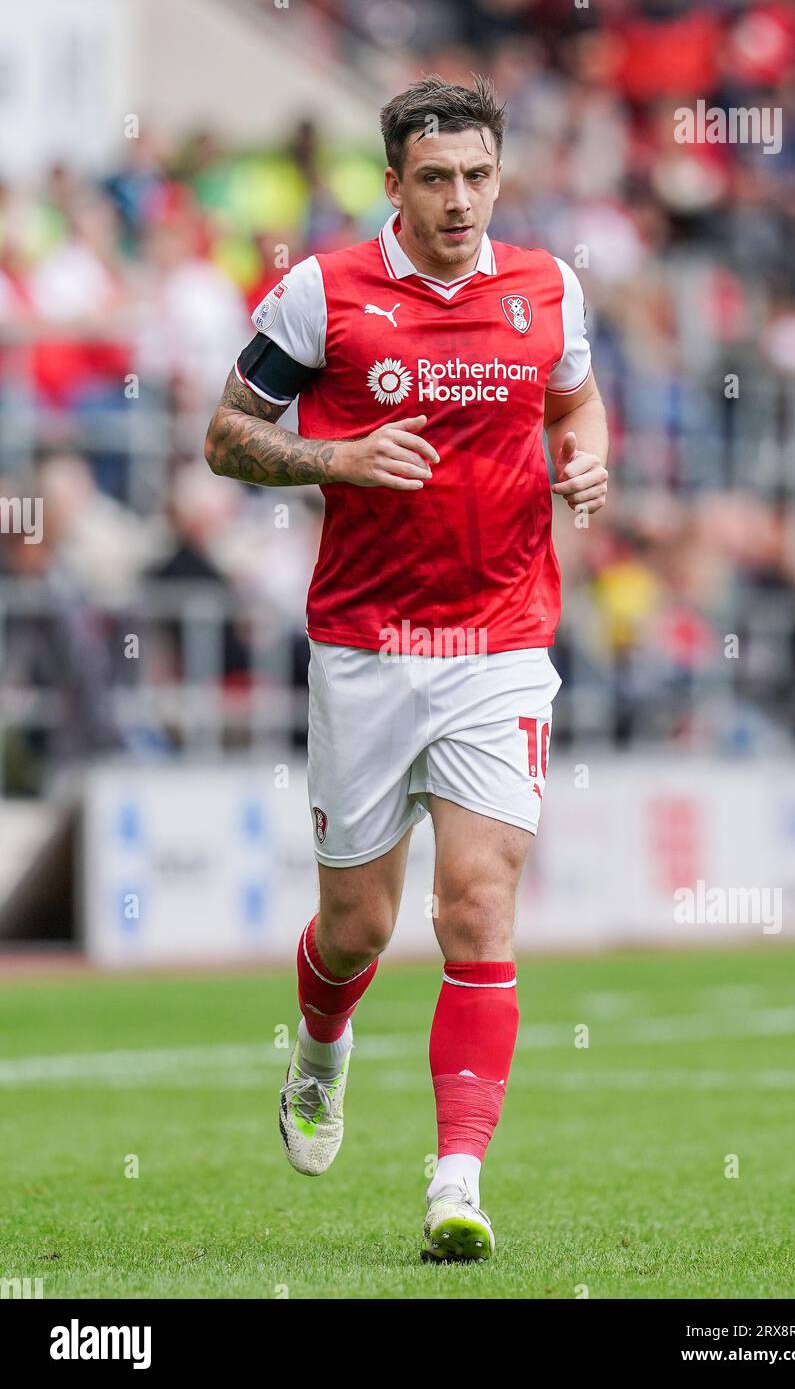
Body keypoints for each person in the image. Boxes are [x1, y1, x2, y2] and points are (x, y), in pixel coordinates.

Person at [204, 73, 608, 1262]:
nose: (459, 201)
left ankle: (454, 1179)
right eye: (433, 179)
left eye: (477, 176)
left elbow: (576, 410)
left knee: (477, 907)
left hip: (500, 642)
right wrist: (333, 457)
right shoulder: (320, 292)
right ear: (392, 183)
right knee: (356, 928)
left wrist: (584, 464)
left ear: (498, 176)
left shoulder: (548, 289)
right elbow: (225, 439)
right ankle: (320, 1052)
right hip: (368, 647)